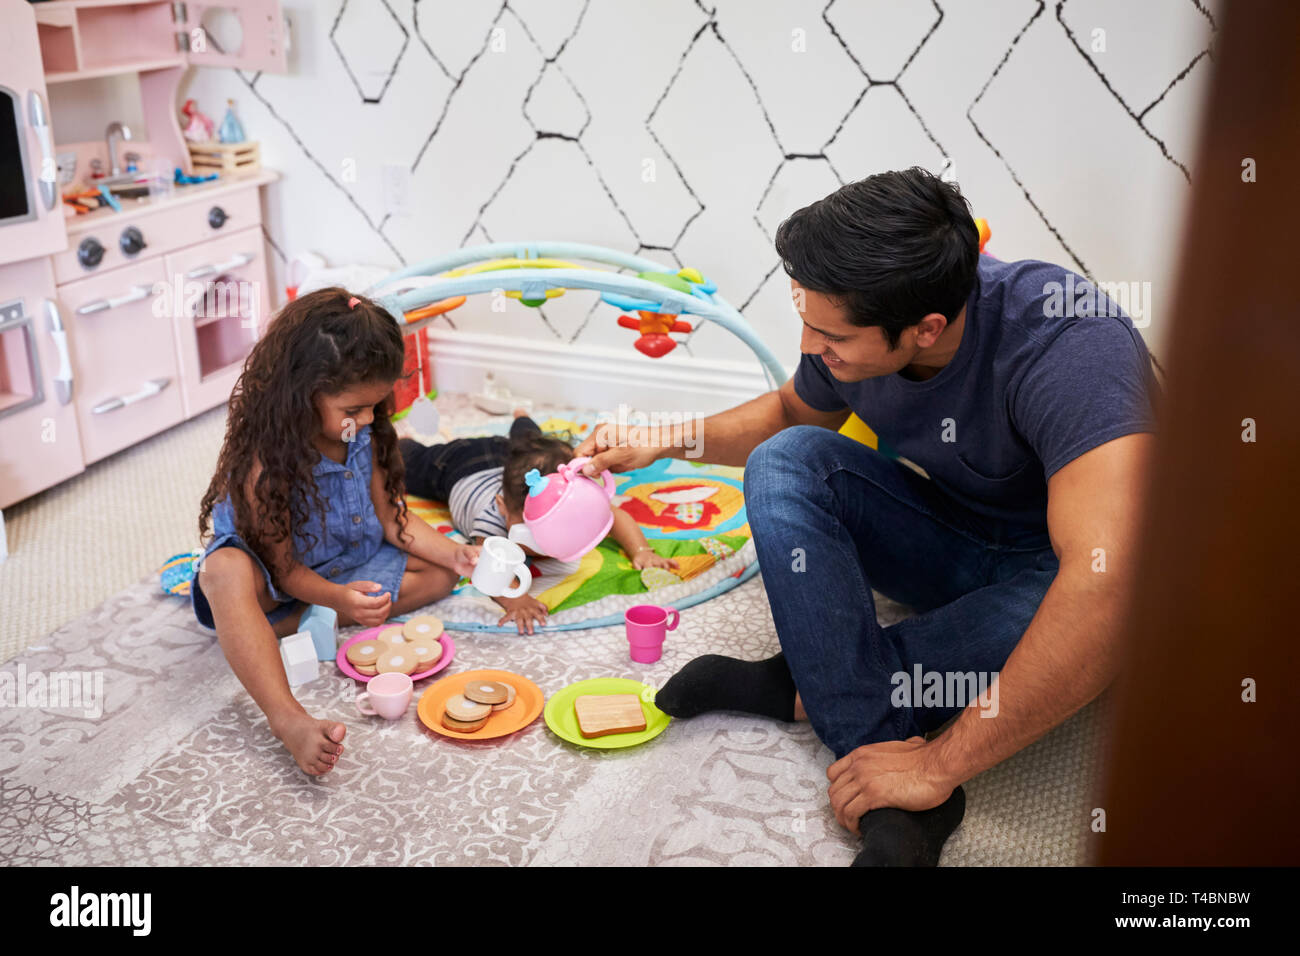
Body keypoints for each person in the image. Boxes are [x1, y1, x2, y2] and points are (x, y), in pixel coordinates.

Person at [575, 167, 1158, 866]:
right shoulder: (854, 320)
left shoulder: (1067, 341)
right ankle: (858, 705)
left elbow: (1112, 584)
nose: (808, 347)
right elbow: (791, 412)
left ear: (925, 328)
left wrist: (935, 765)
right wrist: (668, 439)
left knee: (1094, 605)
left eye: (831, 338)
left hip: (1063, 573)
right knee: (788, 457)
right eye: (807, 324)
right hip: (955, 534)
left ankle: (820, 696)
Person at [192, 288, 479, 776]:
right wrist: (340, 600)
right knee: (223, 572)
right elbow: (284, 571)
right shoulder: (267, 463)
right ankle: (287, 715)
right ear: (302, 394)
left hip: (346, 562)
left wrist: (457, 555)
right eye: (353, 409)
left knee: (442, 576)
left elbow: (394, 521)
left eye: (375, 405)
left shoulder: (364, 431)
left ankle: (281, 629)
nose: (367, 419)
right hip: (279, 578)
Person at [399, 410, 679, 634]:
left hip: (515, 458)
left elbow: (615, 516)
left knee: (532, 443)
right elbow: (487, 569)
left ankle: (522, 419)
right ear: (502, 510)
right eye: (529, 529)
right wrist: (516, 599)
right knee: (409, 463)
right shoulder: (492, 521)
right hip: (457, 466)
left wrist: (641, 550)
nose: (540, 537)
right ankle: (404, 446)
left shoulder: (572, 508)